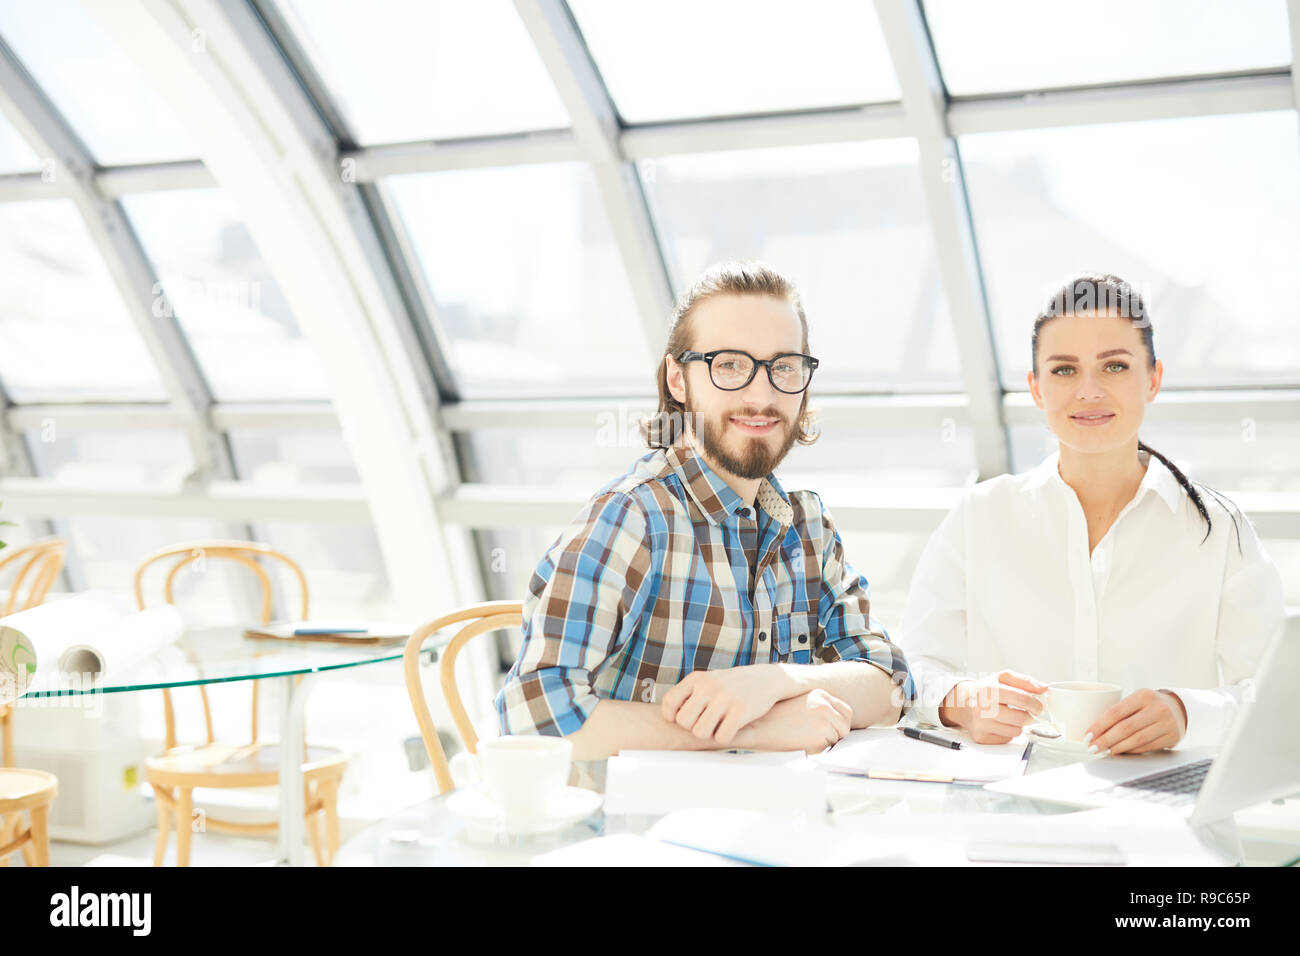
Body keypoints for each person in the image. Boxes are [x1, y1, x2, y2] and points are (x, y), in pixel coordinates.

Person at [495, 261, 913, 758]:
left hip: (778, 820)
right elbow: (530, 719)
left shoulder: (807, 527)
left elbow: (891, 687)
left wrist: (771, 682)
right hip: (637, 828)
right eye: (730, 364)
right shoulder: (634, 519)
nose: (762, 395)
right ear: (677, 379)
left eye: (784, 366)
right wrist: (752, 729)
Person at [899, 274, 1283, 754]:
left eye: (1115, 367)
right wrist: (959, 699)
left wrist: (1188, 714)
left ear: (1153, 379)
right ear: (1036, 388)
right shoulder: (979, 517)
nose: (1089, 391)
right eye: (1063, 370)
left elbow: (1278, 697)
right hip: (1003, 807)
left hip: (1159, 809)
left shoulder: (1219, 530)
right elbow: (909, 669)